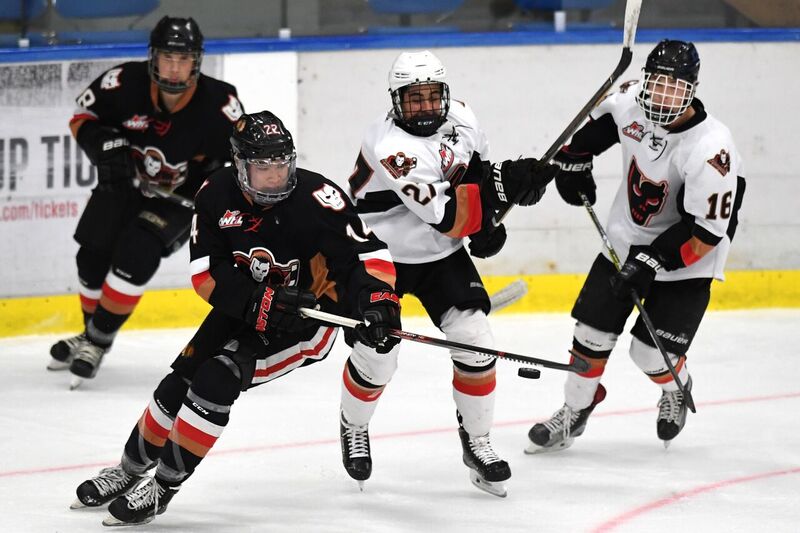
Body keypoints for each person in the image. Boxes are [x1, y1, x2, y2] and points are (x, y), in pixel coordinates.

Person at [69, 110, 402, 526]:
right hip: (243, 306)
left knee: (217, 379)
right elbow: (207, 274)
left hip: (304, 323)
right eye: (263, 168)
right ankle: (128, 470)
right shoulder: (214, 195)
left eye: (282, 165)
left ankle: (163, 488)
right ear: (241, 165)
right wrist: (259, 303)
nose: (275, 177)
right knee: (178, 383)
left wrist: (378, 299)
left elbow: (365, 258)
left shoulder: (320, 198)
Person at [338, 50, 558, 497]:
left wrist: (493, 216)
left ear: (444, 94)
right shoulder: (391, 149)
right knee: (379, 357)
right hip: (380, 255)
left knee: (478, 345)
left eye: (430, 96)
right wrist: (505, 187)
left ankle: (477, 442)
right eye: (412, 98)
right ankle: (353, 424)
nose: (423, 107)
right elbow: (448, 214)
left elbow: (473, 174)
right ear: (396, 101)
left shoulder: (463, 118)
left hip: (440, 255)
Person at [527, 39, 746, 452]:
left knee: (648, 354)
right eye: (657, 83)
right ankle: (576, 408)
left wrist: (653, 260)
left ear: (692, 90)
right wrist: (572, 163)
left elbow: (707, 235)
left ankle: (677, 386)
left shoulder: (712, 149)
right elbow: (591, 132)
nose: (662, 96)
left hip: (687, 261)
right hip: (625, 243)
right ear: (645, 80)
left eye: (675, 88)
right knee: (589, 334)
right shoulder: (629, 100)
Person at [47, 16, 244, 387]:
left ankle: (96, 341)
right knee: (89, 257)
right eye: (168, 57)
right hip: (125, 184)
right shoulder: (123, 83)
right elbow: (82, 116)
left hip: (181, 198)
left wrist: (214, 186)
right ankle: (91, 334)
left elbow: (242, 159)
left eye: (183, 59)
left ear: (196, 62)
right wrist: (103, 144)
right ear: (153, 57)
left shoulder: (220, 103)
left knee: (136, 253)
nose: (174, 67)